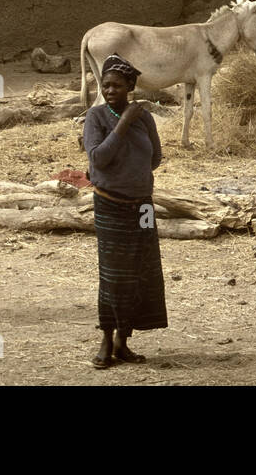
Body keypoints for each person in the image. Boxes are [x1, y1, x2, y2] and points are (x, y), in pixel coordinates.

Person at [82, 53, 167, 369]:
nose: (110, 91)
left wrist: (137, 175)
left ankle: (123, 341)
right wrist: (124, 123)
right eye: (105, 86)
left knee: (140, 272)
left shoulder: (145, 117)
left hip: (143, 206)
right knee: (114, 275)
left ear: (130, 86)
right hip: (111, 204)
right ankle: (106, 339)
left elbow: (155, 157)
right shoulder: (97, 118)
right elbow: (98, 159)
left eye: (117, 85)